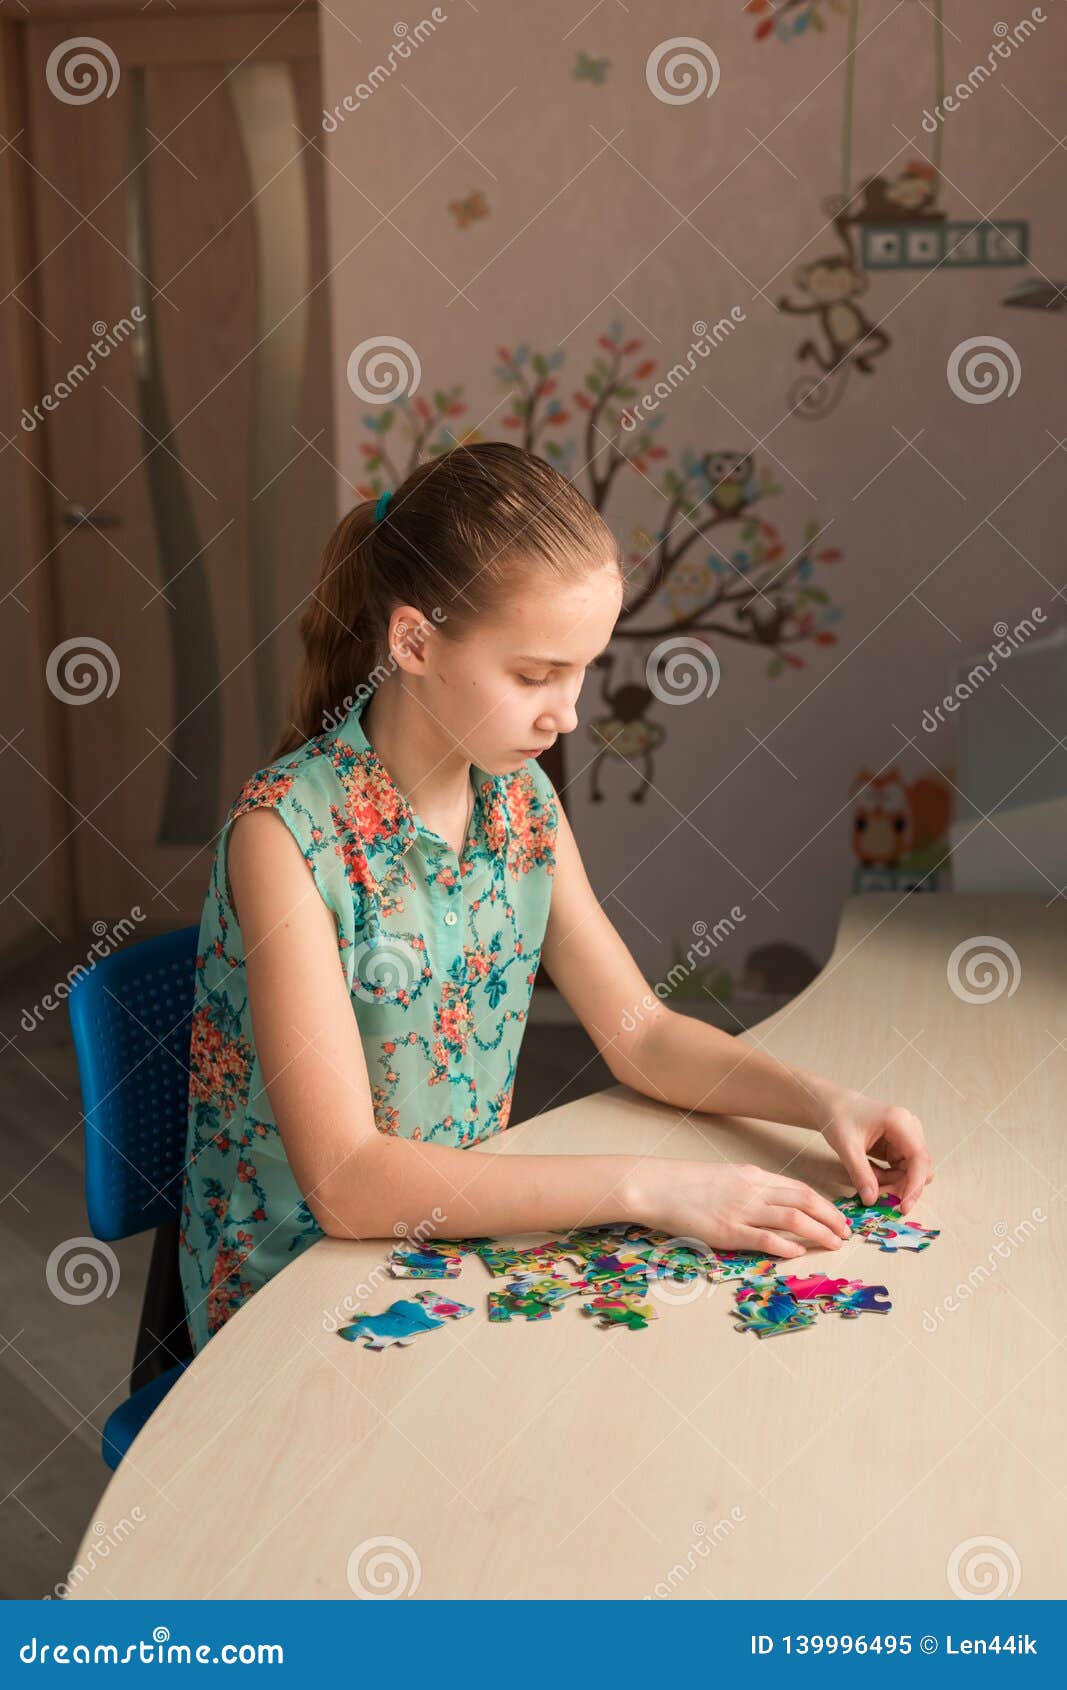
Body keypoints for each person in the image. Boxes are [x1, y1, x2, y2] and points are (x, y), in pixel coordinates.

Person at [178, 442, 932, 1354]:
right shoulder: (283, 834)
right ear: (413, 642)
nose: (566, 714)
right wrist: (651, 1188)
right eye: (533, 676)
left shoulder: (519, 801)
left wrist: (821, 1102)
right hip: (296, 1292)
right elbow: (346, 1183)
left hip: (455, 1246)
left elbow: (640, 1035)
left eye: (580, 672)